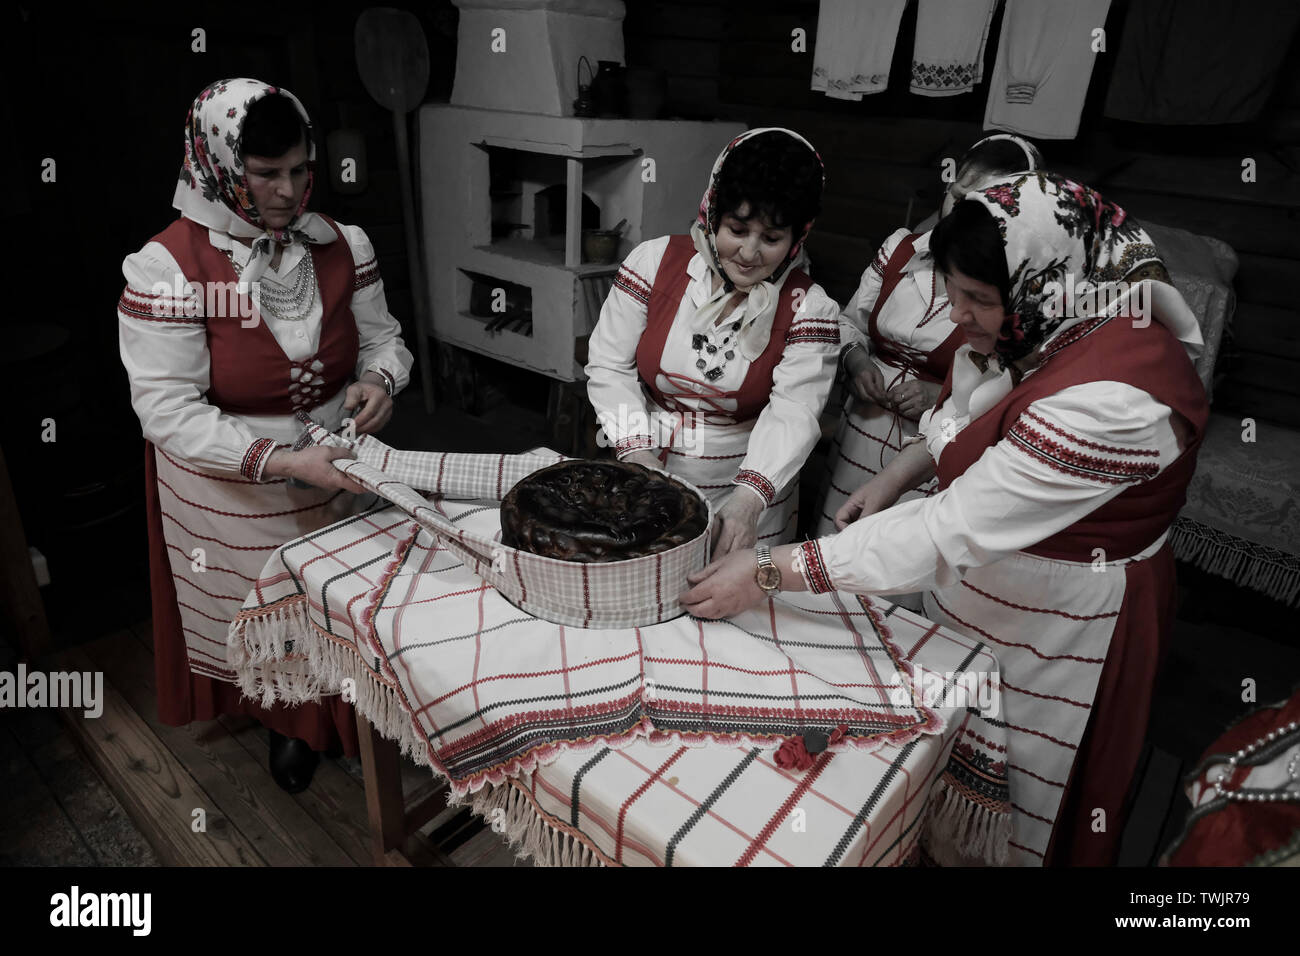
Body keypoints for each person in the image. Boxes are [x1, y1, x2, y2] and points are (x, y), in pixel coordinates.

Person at [681, 172, 1209, 867]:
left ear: (1047, 280)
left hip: (1065, 620)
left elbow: (947, 530)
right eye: (951, 291)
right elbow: (971, 416)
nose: (957, 315)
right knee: (948, 752)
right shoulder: (1051, 322)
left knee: (1023, 794)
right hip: (986, 586)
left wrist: (772, 570)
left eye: (977, 300)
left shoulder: (1114, 403)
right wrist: (899, 476)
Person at [117, 79, 413, 792]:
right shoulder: (168, 268)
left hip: (339, 464)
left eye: (301, 170)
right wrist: (282, 460)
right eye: (267, 174)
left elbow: (386, 340)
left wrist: (380, 381)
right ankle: (295, 725)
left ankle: (358, 716)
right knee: (273, 614)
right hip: (234, 481)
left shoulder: (344, 245)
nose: (288, 191)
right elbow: (166, 411)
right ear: (218, 166)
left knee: (349, 601)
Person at [585, 128, 840, 556]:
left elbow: (793, 412)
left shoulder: (809, 308)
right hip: (649, 465)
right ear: (711, 213)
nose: (749, 252)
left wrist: (749, 499)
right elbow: (610, 365)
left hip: (747, 488)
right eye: (737, 229)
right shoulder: (654, 264)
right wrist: (637, 454)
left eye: (772, 239)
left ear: (798, 238)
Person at [820, 134, 1044, 536]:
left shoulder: (1015, 293)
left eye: (976, 208)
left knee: (898, 551)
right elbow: (849, 321)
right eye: (955, 196)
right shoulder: (901, 250)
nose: (955, 213)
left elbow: (1012, 388)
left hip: (933, 445)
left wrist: (938, 392)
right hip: (860, 427)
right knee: (835, 538)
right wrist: (856, 361)